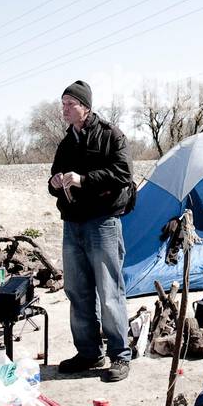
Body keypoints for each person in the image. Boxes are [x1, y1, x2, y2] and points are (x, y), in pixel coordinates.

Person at [48, 80, 136, 382]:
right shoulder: (66, 142)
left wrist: (82, 179)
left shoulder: (111, 135)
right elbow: (52, 181)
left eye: (70, 104)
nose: (64, 109)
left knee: (110, 291)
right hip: (72, 225)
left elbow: (124, 173)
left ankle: (120, 355)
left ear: (85, 106)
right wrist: (56, 183)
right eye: (63, 104)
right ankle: (89, 352)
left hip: (104, 223)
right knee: (77, 290)